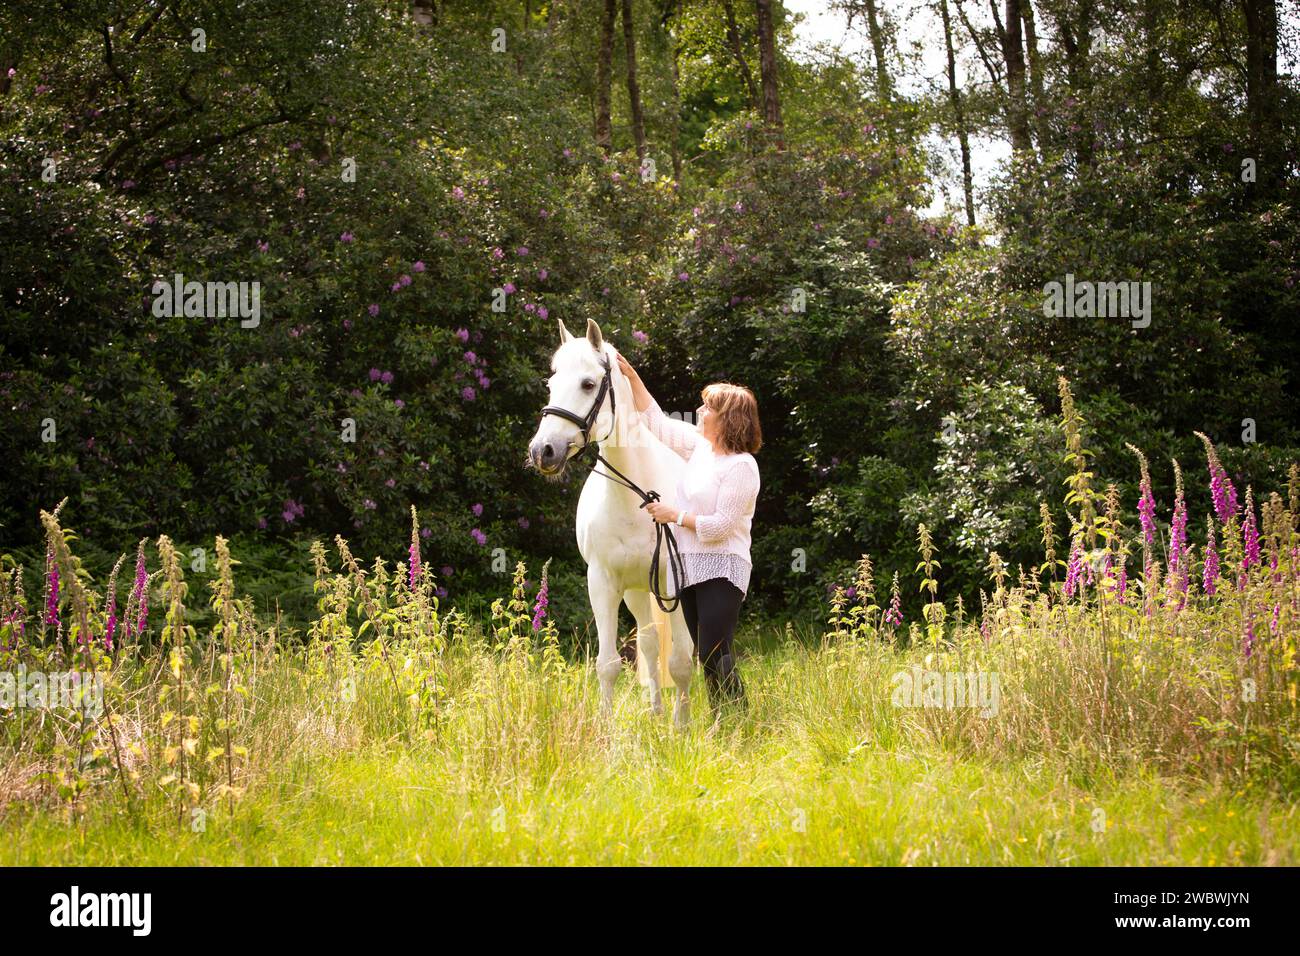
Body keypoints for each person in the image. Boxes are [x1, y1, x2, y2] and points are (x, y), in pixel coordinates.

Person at [616, 352, 762, 713]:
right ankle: (725, 716)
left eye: (707, 408)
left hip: (723, 566)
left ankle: (735, 716)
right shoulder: (699, 448)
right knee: (706, 652)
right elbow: (656, 421)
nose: (699, 413)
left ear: (727, 419)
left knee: (715, 648)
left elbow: (720, 527)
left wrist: (674, 515)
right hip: (690, 566)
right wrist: (633, 377)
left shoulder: (742, 466)